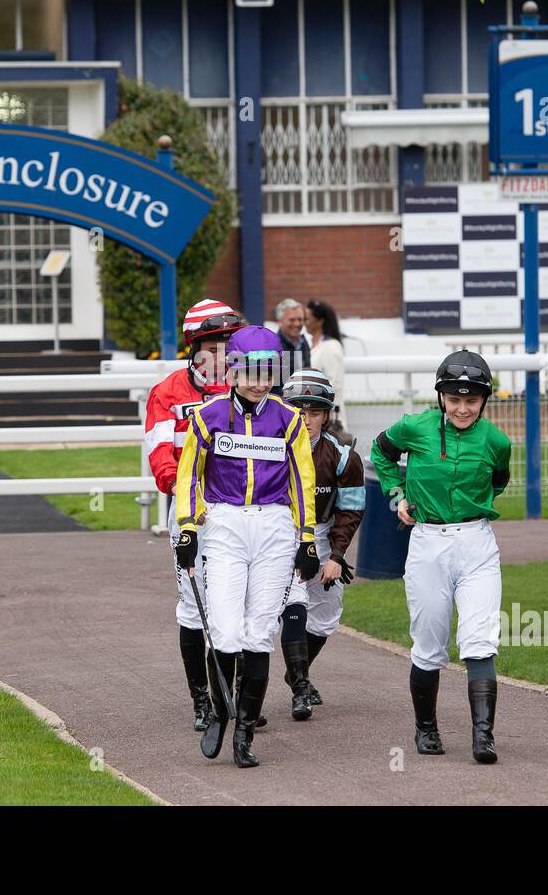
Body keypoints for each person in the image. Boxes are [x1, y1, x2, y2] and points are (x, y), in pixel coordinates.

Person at [174, 325, 318, 768]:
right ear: (233, 370)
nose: (259, 381)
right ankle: (220, 710)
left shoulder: (289, 419)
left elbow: (302, 481)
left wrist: (307, 537)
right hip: (225, 524)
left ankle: (245, 734)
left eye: (267, 371)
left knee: (259, 634)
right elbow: (189, 476)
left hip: (275, 526)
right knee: (225, 629)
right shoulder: (208, 416)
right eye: (250, 371)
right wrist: (187, 528)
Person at [370, 351, 511, 763]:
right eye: (453, 399)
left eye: (471, 400)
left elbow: (498, 481)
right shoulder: (414, 427)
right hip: (427, 544)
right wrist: (397, 496)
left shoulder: (497, 441)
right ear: (440, 397)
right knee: (430, 644)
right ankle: (426, 727)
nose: (462, 408)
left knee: (480, 641)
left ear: (484, 400)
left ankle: (483, 738)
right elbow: (380, 453)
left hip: (477, 543)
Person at [144, 298, 246, 733]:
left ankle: (232, 695)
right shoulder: (167, 393)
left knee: (236, 604)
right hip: (193, 512)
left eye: (229, 344)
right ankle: (201, 699)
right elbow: (160, 454)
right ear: (195, 347)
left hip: (243, 510)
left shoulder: (250, 389)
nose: (223, 354)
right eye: (215, 345)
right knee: (194, 604)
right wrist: (185, 491)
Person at [278, 367, 365, 719]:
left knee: (326, 616)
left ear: (327, 415)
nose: (306, 419)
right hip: (276, 535)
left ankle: (295, 670)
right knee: (282, 607)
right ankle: (299, 687)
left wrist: (338, 556)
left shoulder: (344, 457)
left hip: (323, 537)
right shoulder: (268, 449)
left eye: (314, 412)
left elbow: (350, 511)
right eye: (299, 410)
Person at [304, 299, 349, 439]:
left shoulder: (331, 347)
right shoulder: (308, 344)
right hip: (312, 416)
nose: (304, 322)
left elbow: (334, 384)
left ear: (320, 321)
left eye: (307, 318)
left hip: (327, 418)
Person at [274, 298, 310, 382]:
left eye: (300, 319)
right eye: (292, 320)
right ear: (280, 321)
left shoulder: (304, 342)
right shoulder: (274, 346)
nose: (297, 324)